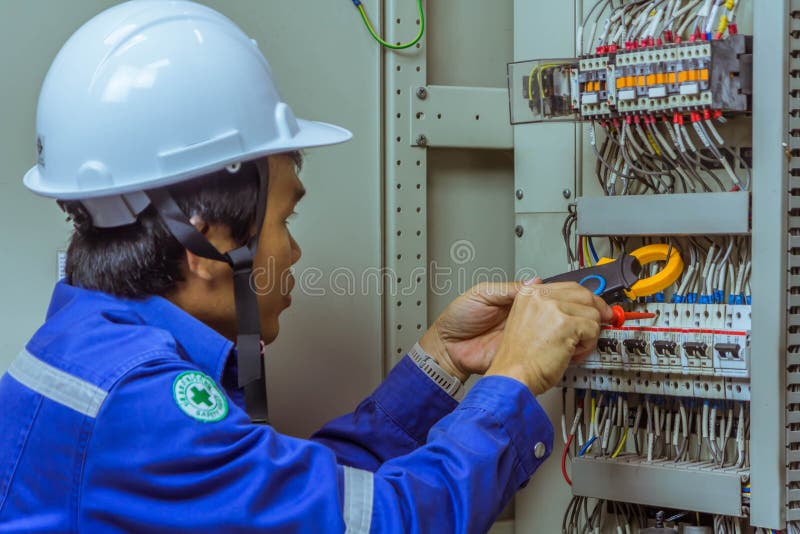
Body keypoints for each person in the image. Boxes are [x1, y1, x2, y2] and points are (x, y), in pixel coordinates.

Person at [0, 2, 612, 532]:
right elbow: (387, 523)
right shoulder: (144, 407)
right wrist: (515, 379)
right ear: (204, 239)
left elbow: (302, 504)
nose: (292, 252)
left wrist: (443, 361)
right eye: (285, 220)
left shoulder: (85, 348)